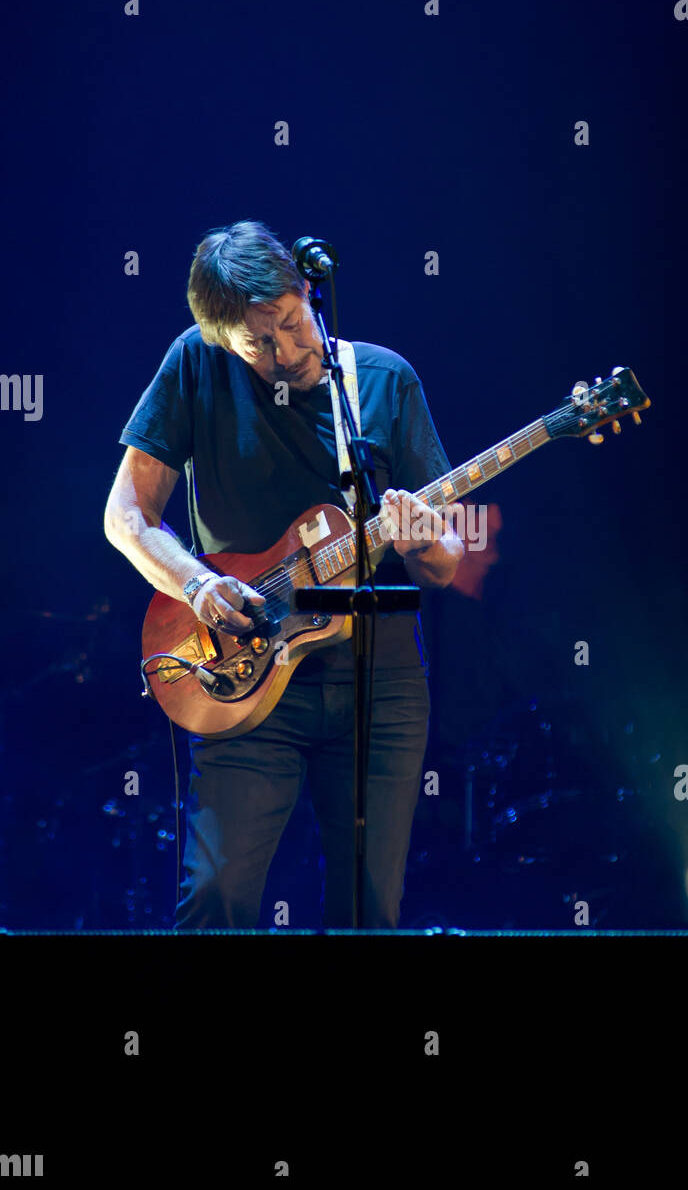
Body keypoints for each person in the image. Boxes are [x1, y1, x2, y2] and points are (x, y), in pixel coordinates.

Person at [104, 220, 463, 929]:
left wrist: (426, 541)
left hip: (377, 682)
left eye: (294, 325)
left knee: (369, 911)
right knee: (216, 898)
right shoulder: (194, 364)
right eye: (258, 343)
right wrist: (198, 585)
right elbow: (126, 515)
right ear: (220, 338)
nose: (287, 352)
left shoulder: (384, 380)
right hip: (243, 673)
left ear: (309, 293)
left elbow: (444, 563)